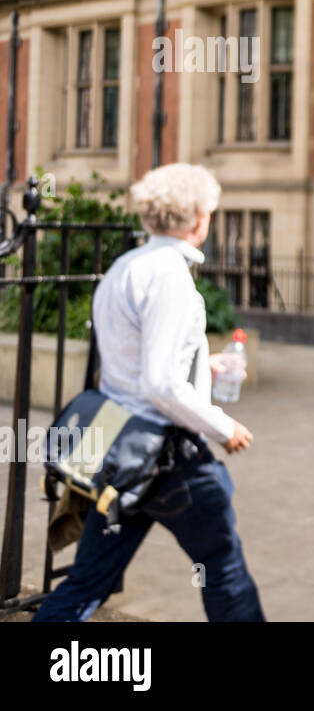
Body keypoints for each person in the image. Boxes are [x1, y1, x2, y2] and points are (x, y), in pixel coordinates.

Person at [34, 163, 265, 622]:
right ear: (199, 219)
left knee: (86, 583)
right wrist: (224, 427)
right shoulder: (170, 277)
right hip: (170, 457)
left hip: (122, 452)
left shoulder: (126, 267)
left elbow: (130, 356)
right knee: (224, 570)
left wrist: (206, 363)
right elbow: (159, 384)